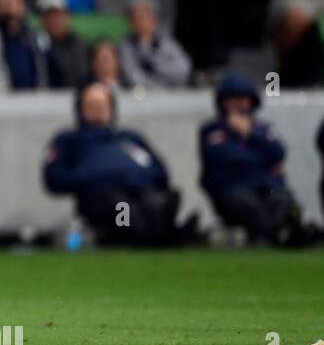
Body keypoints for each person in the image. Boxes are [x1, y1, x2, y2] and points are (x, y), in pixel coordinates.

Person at [43, 81, 197, 247]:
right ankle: (163, 234)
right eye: (92, 105)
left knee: (151, 203)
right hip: (102, 197)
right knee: (124, 210)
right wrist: (93, 178)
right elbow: (54, 178)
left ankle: (163, 225)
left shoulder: (129, 137)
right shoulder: (69, 140)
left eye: (102, 105)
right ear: (81, 108)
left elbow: (161, 171)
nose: (98, 110)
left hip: (141, 190)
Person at [199, 73, 311, 245]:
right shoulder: (212, 131)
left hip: (267, 187)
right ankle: (279, 234)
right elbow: (224, 159)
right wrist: (260, 158)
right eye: (233, 99)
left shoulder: (263, 129)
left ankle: (276, 234)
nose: (239, 104)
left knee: (281, 199)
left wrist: (249, 134)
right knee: (250, 206)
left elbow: (278, 152)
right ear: (222, 102)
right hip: (233, 189)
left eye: (243, 99)